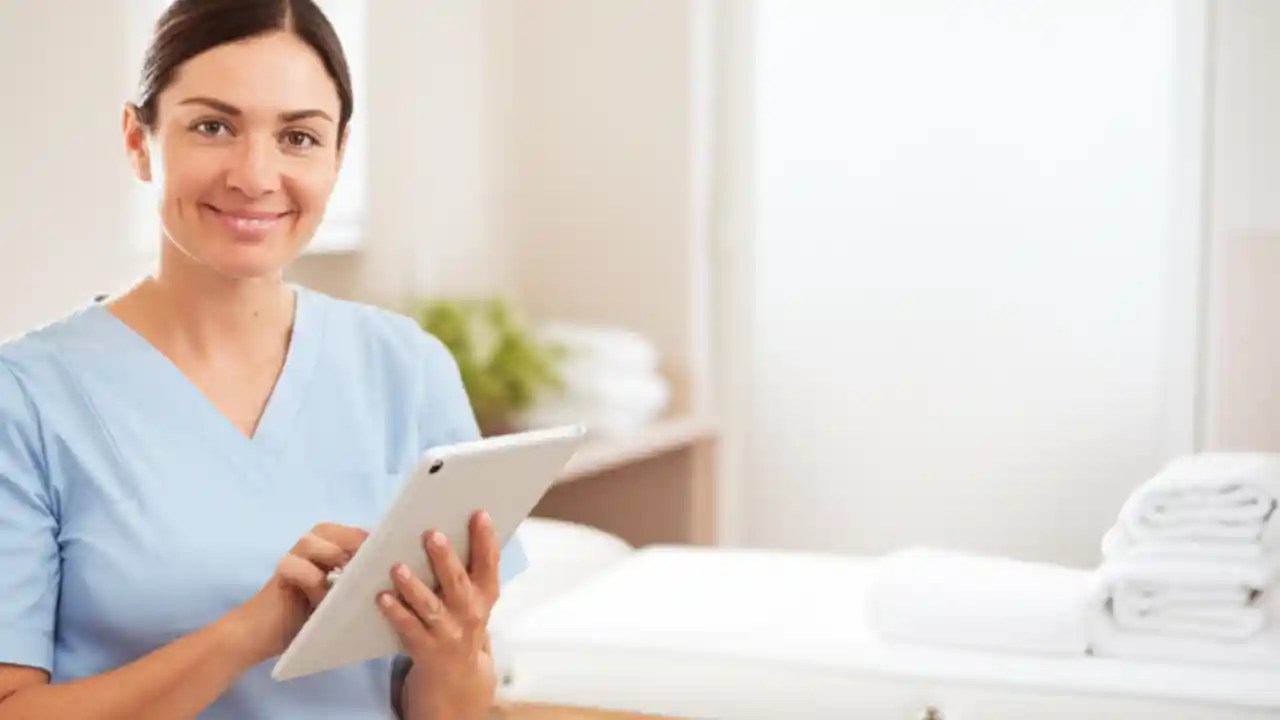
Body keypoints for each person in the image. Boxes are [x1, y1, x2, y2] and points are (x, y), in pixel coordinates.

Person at [0, 1, 526, 717]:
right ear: (138, 139)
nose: (256, 175)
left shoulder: (408, 367)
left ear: (339, 153)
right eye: (212, 126)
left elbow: (449, 706)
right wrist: (251, 632)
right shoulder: (26, 400)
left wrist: (454, 652)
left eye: (299, 137)